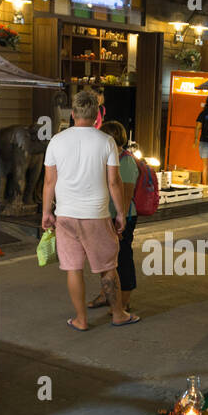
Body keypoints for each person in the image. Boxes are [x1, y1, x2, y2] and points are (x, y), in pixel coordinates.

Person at [42, 89, 139, 330]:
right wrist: (120, 213)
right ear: (97, 116)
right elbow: (114, 182)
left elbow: (49, 182)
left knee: (73, 269)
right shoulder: (106, 142)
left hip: (65, 216)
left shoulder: (57, 141)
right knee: (107, 267)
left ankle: (81, 319)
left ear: (73, 114)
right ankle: (118, 314)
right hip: (96, 215)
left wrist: (46, 212)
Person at [87, 121, 139, 313]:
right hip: (105, 216)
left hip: (122, 218)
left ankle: (124, 301)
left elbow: (126, 196)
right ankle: (106, 295)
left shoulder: (126, 161)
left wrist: (120, 222)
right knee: (106, 259)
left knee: (123, 259)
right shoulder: (108, 158)